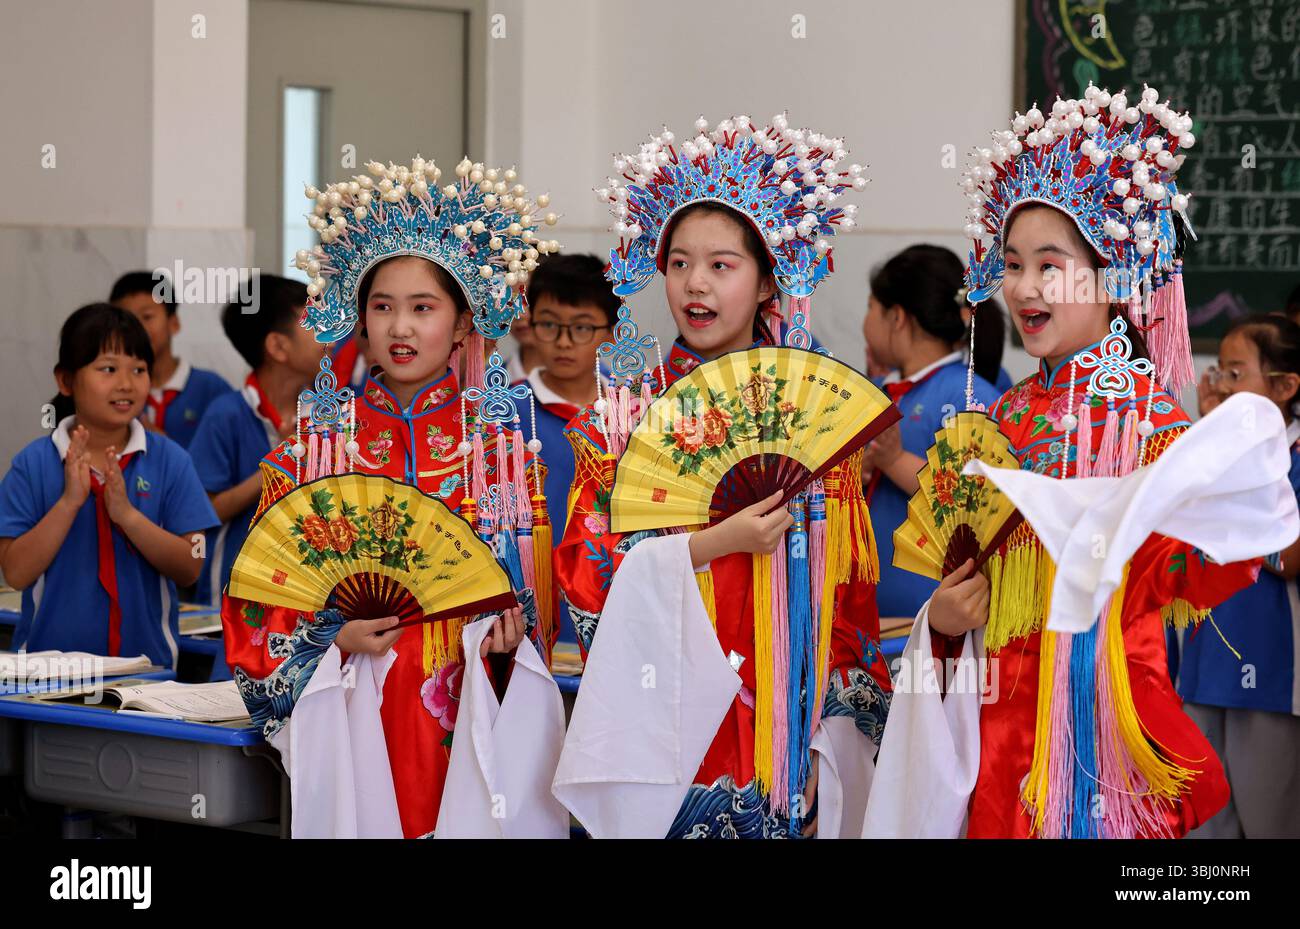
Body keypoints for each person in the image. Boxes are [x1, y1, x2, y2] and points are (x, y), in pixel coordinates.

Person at [866, 85, 1278, 839]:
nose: (1022, 287)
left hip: (1107, 735)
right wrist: (945, 625)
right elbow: (968, 588)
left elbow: (1193, 575)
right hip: (1001, 741)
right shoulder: (1002, 419)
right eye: (1013, 263)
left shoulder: (1149, 421)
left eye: (1050, 266)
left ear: (1111, 272)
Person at [553, 113, 891, 839]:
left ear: (769, 279)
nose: (694, 284)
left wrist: (831, 722)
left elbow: (846, 599)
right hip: (667, 713)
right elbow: (590, 585)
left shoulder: (815, 419)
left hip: (783, 716)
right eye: (678, 263)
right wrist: (711, 543)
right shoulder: (624, 418)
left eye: (720, 265)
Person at [219, 156, 567, 838]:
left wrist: (511, 639)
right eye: (382, 308)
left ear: (464, 322)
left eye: (422, 308)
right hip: (355, 699)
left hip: (466, 707)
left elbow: (535, 609)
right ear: (360, 318)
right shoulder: (317, 444)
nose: (400, 328)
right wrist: (329, 634)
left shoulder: (497, 449)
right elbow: (257, 598)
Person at [0, 304, 217, 669]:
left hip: (148, 673)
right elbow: (16, 572)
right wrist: (69, 502)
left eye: (139, 369)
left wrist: (128, 516)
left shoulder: (171, 460)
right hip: (47, 672)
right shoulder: (32, 464)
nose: (126, 383)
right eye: (108, 369)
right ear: (66, 380)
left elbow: (192, 565)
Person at [1177, 313, 1300, 838]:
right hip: (1203, 661)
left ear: (1284, 386)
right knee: (1205, 823)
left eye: (1236, 373)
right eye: (1219, 373)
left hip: (1270, 671)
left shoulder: (1292, 458)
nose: (1222, 387)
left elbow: (1285, 558)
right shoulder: (1215, 450)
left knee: (1268, 819)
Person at [860, 244, 1001, 620]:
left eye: (871, 307)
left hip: (932, 621)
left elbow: (979, 502)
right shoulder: (878, 390)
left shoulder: (968, 393)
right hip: (867, 616)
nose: (865, 321)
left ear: (897, 317)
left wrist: (894, 460)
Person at [187, 275, 323, 605]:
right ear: (277, 346)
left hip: (309, 597)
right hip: (233, 597)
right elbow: (201, 512)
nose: (330, 337)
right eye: (314, 323)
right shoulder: (227, 414)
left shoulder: (328, 413)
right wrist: (277, 463)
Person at [519, 254, 617, 644]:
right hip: (531, 626)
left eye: (581, 327)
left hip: (618, 621)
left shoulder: (633, 411)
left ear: (612, 330)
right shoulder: (505, 414)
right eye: (549, 325)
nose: (562, 342)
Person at [110, 270, 232, 448]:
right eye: (127, 320)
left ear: (174, 323)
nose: (137, 328)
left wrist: (168, 451)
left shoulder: (211, 389)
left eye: (147, 317)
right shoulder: (109, 389)